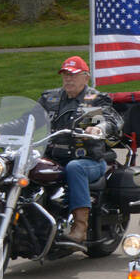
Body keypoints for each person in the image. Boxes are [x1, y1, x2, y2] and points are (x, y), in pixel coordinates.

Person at [38, 56, 120, 246]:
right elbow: (29, 119)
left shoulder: (96, 99)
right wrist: (1, 127)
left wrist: (99, 128)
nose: (68, 79)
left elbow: (111, 120)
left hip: (89, 161)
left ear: (86, 77)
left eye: (73, 75)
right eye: (65, 74)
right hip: (53, 157)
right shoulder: (50, 98)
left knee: (75, 168)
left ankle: (80, 228)